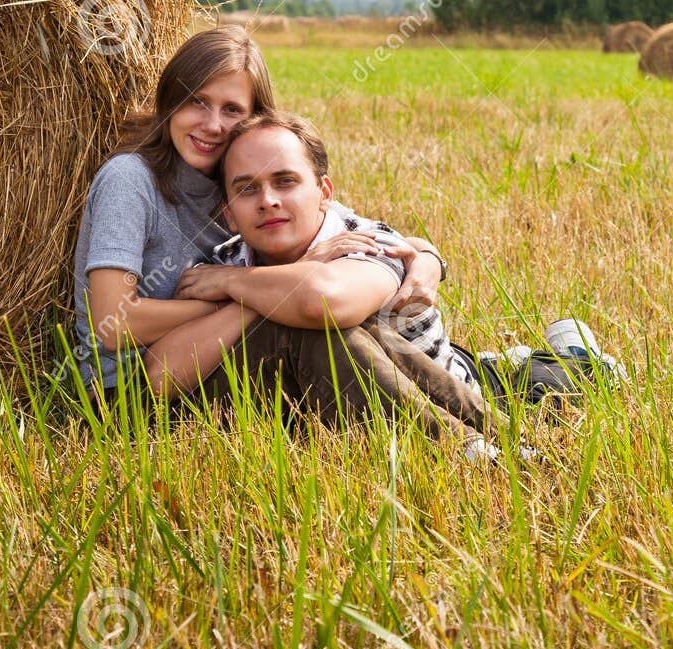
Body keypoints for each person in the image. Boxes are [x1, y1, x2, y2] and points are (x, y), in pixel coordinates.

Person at [64, 28, 446, 394]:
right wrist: (260, 291)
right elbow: (112, 325)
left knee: (334, 316)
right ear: (170, 102)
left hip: (215, 357)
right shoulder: (130, 180)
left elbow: (341, 225)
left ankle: (478, 418)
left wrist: (426, 257)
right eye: (197, 101)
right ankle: (466, 434)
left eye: (231, 109)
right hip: (126, 389)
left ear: (253, 118)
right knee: (306, 324)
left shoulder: (240, 183)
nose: (212, 125)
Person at [141, 111, 506, 456]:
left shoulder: (366, 241)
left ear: (325, 193)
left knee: (325, 328)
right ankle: (471, 450)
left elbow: (324, 305)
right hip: (318, 415)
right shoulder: (223, 262)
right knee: (294, 322)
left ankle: (476, 445)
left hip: (441, 397)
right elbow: (160, 377)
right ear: (229, 214)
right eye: (247, 189)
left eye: (285, 181)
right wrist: (254, 297)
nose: (268, 201)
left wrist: (240, 286)